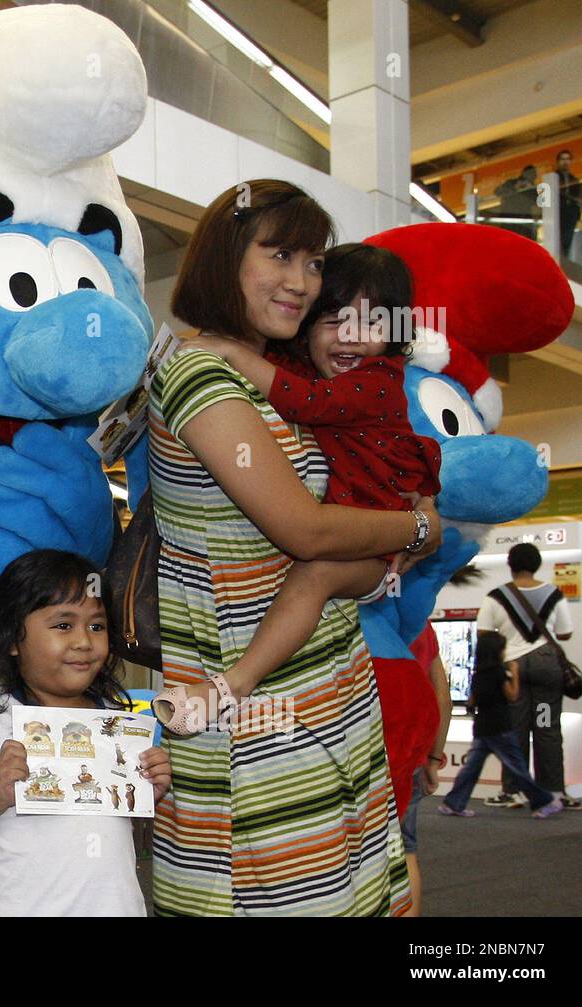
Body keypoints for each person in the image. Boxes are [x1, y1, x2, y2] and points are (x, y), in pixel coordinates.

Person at [147, 179, 441, 916]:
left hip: (330, 687)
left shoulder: (286, 375)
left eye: (313, 262)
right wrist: (419, 530)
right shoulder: (199, 372)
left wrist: (380, 553)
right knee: (283, 891)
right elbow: (304, 529)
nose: (301, 281)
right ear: (225, 255)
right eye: (279, 254)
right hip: (256, 719)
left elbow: (337, 523)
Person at [169, 243, 441, 710]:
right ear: (309, 324)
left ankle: (234, 685)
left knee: (313, 576)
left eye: (372, 324)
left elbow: (307, 402)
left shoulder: (377, 379)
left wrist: (228, 350)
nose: (350, 338)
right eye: (333, 320)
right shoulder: (301, 368)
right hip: (363, 537)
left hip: (371, 544)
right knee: (312, 576)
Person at [0, 550, 171, 916]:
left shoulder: (113, 718)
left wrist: (149, 787)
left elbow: (118, 812)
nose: (84, 642)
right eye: (63, 625)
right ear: (13, 639)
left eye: (97, 626)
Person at [477, 542, 580, 809]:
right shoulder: (554, 594)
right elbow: (565, 632)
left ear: (510, 566)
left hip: (514, 670)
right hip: (546, 670)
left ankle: (514, 790)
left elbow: (483, 633)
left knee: (515, 730)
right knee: (546, 728)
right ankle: (555, 790)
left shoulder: (496, 596)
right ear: (537, 565)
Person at [438, 631, 563, 819]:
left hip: (481, 729)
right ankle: (543, 801)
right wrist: (515, 675)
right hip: (500, 729)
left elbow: (472, 700)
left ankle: (454, 803)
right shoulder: (499, 672)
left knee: (470, 769)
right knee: (518, 768)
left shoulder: (478, 674)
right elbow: (512, 696)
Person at [400, 622, 453, 917]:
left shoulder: (356, 612)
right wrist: (433, 759)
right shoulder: (420, 624)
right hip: (412, 755)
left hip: (365, 750)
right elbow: (443, 699)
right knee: (406, 849)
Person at [555, 150, 581, 260]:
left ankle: (565, 259)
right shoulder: (552, 177)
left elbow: (577, 198)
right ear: (558, 162)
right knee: (557, 239)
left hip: (570, 214)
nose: (565, 162)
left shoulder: (574, 179)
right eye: (563, 159)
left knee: (567, 240)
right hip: (557, 213)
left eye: (567, 159)